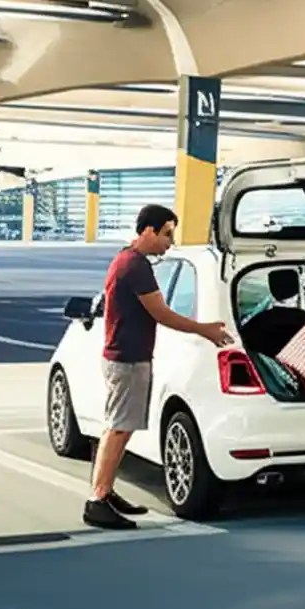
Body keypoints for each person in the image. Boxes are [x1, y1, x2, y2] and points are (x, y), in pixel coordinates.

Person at [84, 203, 235, 530]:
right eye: (167, 233)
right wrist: (205, 329)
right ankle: (97, 500)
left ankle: (106, 492)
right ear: (148, 231)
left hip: (127, 357)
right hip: (127, 360)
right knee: (118, 428)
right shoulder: (134, 266)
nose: (170, 241)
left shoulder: (128, 260)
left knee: (119, 428)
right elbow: (162, 313)